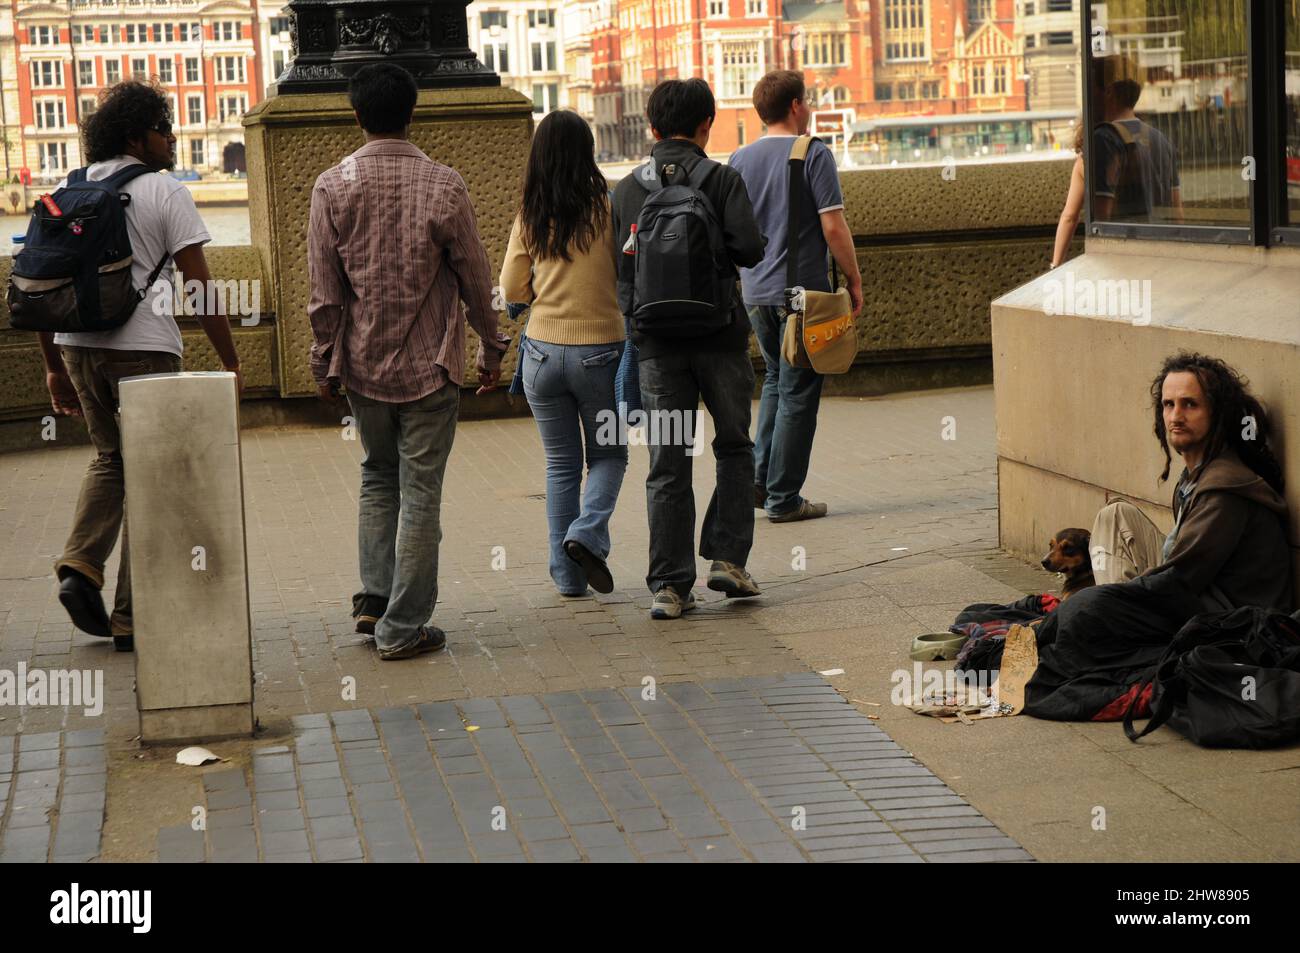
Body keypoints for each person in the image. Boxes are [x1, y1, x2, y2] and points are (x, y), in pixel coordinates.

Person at [308, 63, 509, 660]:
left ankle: (374, 603)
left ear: (356, 115)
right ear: (411, 113)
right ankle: (403, 627)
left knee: (376, 475)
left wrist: (324, 364)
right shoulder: (445, 184)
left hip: (363, 367)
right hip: (431, 369)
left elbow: (325, 294)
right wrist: (491, 348)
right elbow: (476, 279)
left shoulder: (331, 186)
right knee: (420, 493)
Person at [40, 80, 241, 653]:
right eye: (163, 128)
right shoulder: (162, 190)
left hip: (77, 347)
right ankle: (132, 617)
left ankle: (80, 564)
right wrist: (229, 360)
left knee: (111, 459)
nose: (171, 138)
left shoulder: (66, 188)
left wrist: (54, 366)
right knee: (154, 478)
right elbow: (198, 285)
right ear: (137, 136)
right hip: (143, 348)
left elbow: (40, 283)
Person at [1025, 353, 1291, 721]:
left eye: (1190, 404)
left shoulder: (1223, 490)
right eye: (1168, 404)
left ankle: (1107, 618)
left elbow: (1180, 580)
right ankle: (1107, 612)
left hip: (1226, 619)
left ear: (1219, 414)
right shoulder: (1195, 475)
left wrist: (1109, 600)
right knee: (1115, 515)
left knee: (1086, 613)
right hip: (1190, 589)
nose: (1175, 416)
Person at [610, 78, 766, 620]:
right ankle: (726, 558)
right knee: (734, 447)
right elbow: (749, 248)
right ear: (708, 125)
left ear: (652, 127)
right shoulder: (721, 180)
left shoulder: (627, 189)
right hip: (719, 338)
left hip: (656, 347)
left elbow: (620, 268)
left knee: (667, 463)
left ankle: (670, 587)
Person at [500, 110, 627, 597]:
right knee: (610, 456)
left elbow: (512, 287)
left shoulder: (530, 214)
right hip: (602, 352)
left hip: (542, 356)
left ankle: (568, 578)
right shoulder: (610, 208)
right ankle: (586, 534)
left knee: (560, 465)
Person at [729, 70, 863, 522]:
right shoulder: (812, 153)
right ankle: (784, 499)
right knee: (800, 391)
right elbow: (833, 225)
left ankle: (761, 481)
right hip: (802, 298)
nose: (807, 109)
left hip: (755, 293)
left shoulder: (739, 158)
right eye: (805, 102)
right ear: (794, 106)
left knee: (774, 381)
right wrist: (855, 280)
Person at [1092, 74, 1183, 224]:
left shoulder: (1104, 139)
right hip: (1162, 239)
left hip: (1128, 241)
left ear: (1109, 92)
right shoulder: (1161, 139)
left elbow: (1102, 218)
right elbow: (1177, 213)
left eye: (1092, 90)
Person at [1050, 121, 1085, 269]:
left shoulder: (1087, 160)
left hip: (1109, 248)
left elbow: (1070, 217)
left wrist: (1055, 265)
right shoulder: (1156, 138)